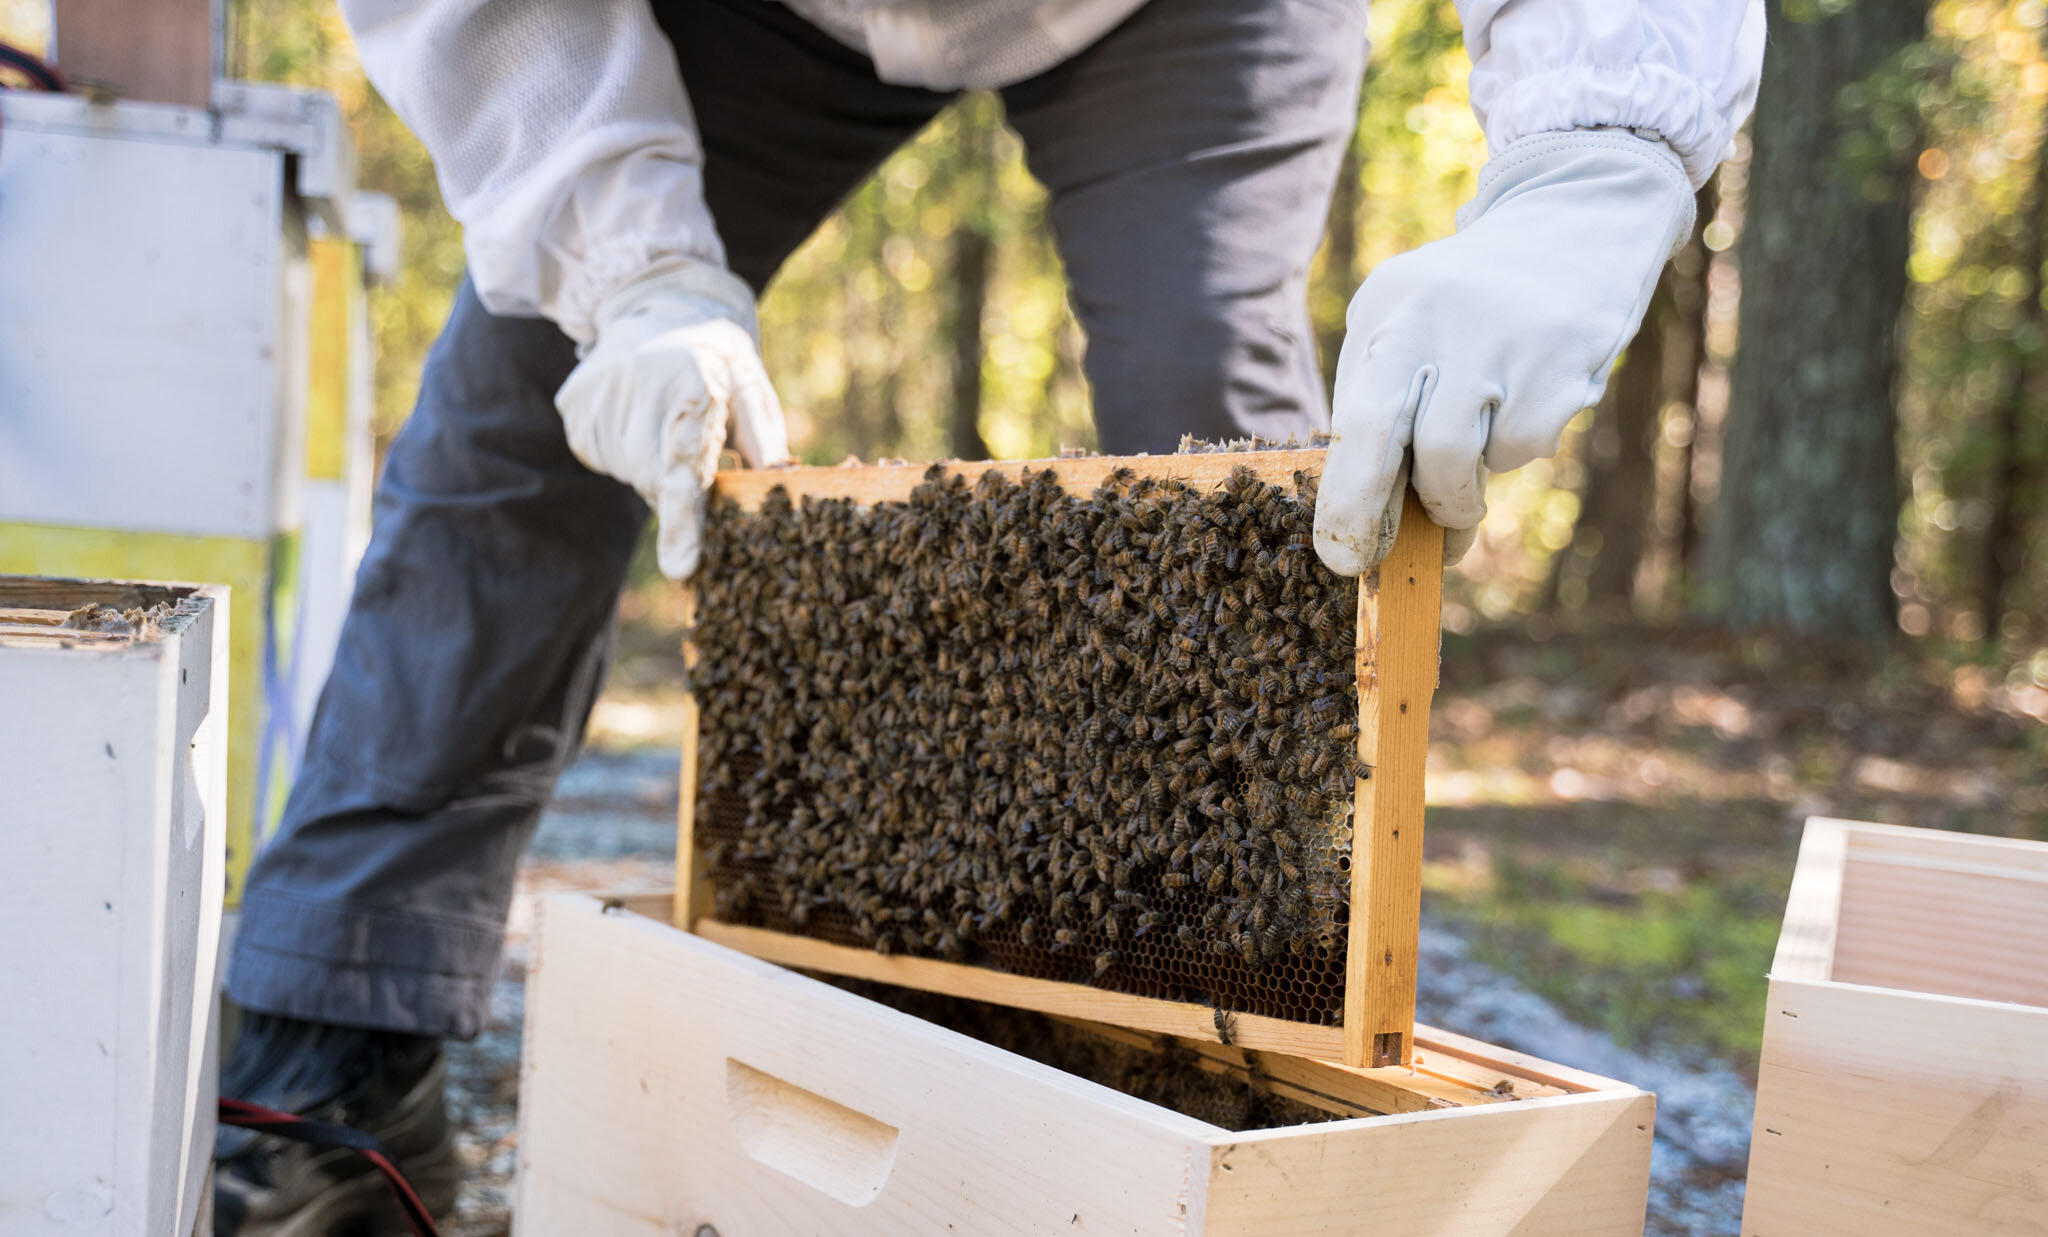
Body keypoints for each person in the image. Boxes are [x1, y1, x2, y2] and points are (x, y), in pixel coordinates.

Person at [213, 0, 1764, 1228]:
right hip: (738, 21)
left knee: (1215, 453)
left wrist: (1597, 147)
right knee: (515, 419)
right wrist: (635, 280)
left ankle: (1235, 1084)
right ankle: (326, 1064)